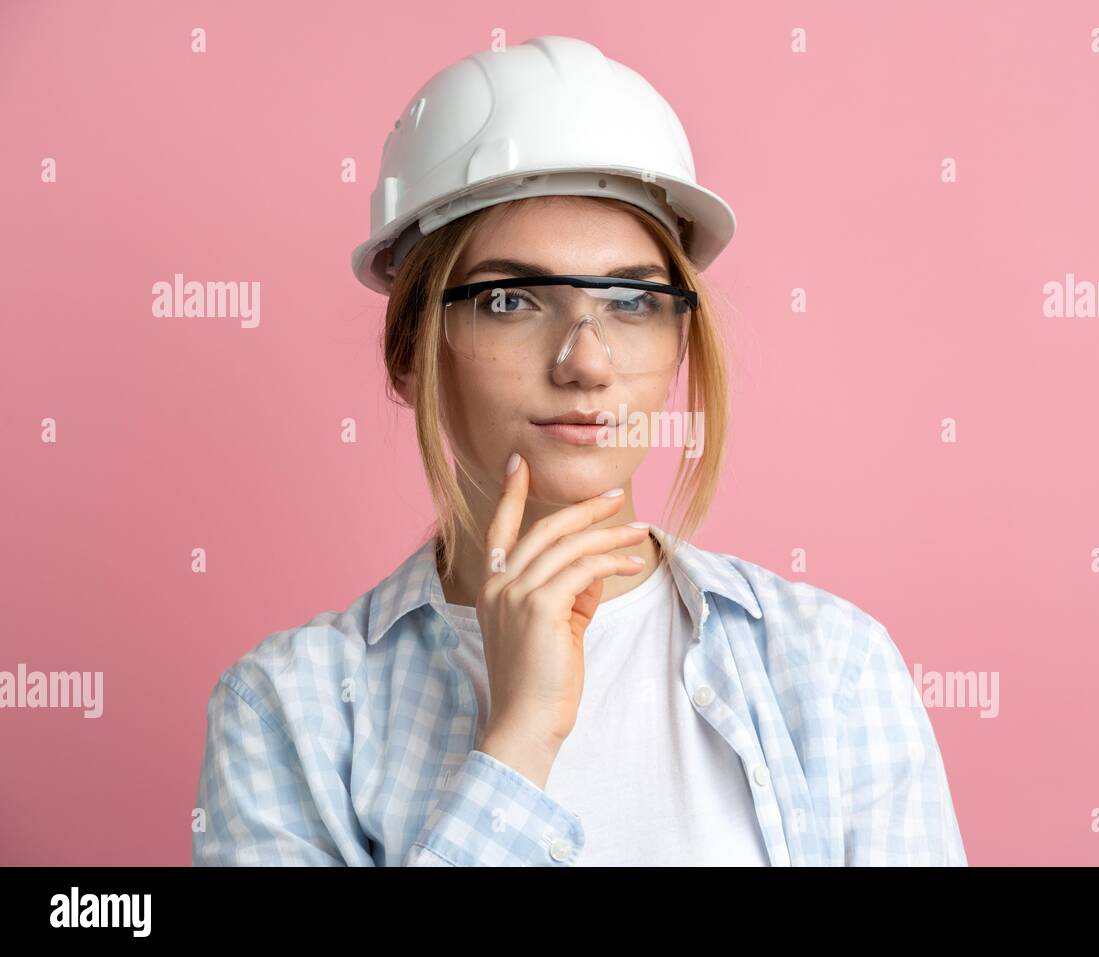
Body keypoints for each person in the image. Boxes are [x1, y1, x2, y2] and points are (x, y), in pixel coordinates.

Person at [192, 35, 967, 867]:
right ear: (410, 351)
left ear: (679, 342)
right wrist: (517, 743)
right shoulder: (291, 709)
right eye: (511, 298)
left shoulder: (832, 668)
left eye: (633, 299)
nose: (587, 362)